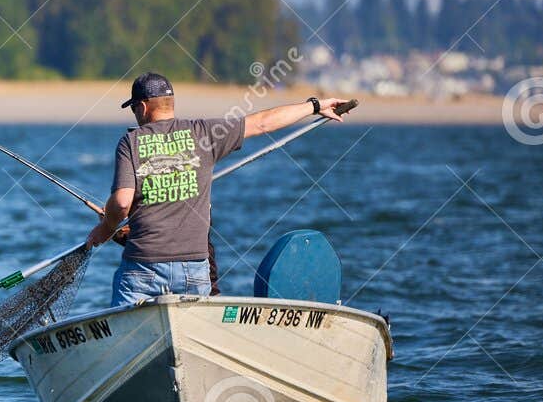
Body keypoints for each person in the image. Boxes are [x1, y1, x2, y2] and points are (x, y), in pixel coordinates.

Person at [85, 72, 350, 307]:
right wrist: (314, 106)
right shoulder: (205, 133)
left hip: (143, 268)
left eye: (134, 109)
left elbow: (121, 204)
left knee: (120, 332)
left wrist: (105, 229)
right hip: (195, 269)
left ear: (142, 107)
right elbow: (262, 122)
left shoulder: (130, 142)